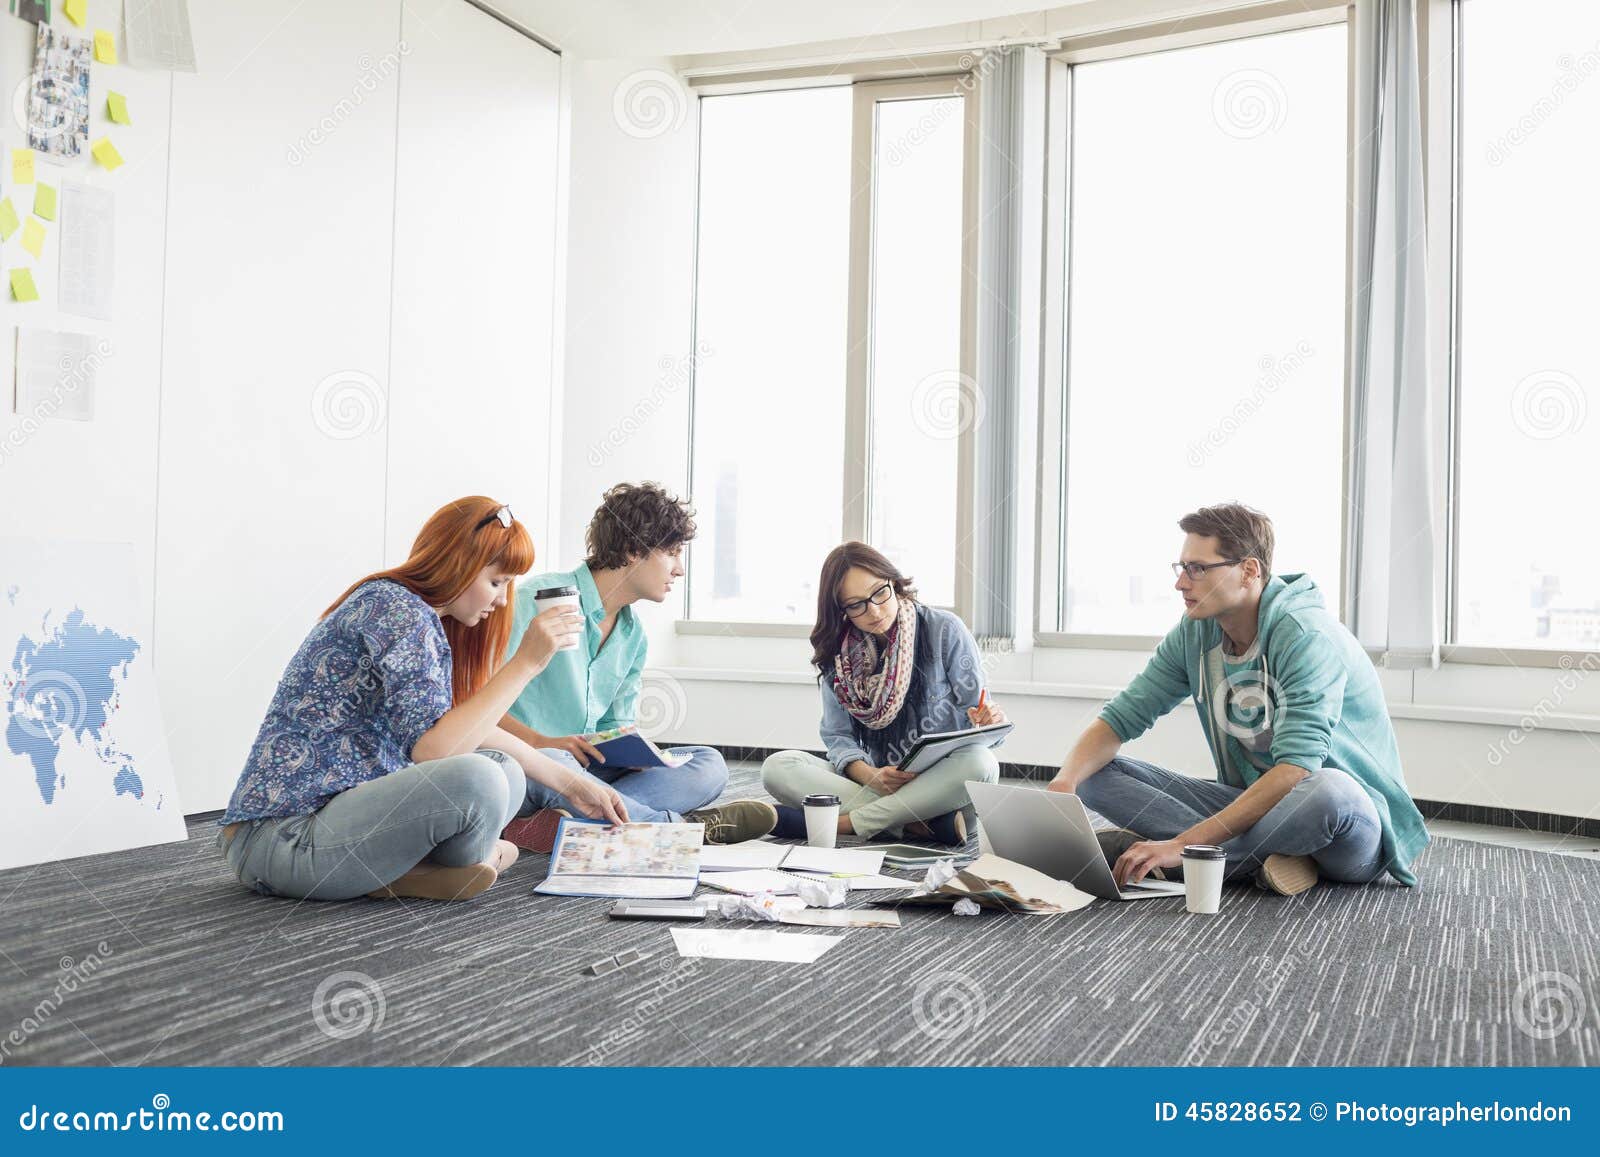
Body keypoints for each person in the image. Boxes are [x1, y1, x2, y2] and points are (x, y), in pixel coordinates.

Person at [218, 497, 630, 902]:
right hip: (281, 839)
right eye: (496, 582)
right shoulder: (394, 608)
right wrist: (525, 663)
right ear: (459, 564)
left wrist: (574, 783)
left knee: (505, 770)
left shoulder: (421, 618)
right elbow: (436, 752)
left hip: (336, 826)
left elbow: (465, 731)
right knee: (478, 778)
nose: (503, 600)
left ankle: (400, 876)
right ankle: (436, 866)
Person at [1048, 503, 1429, 896]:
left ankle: (1201, 859)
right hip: (1259, 808)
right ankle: (1265, 860)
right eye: (1180, 568)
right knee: (1093, 774)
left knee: (1327, 790)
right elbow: (1122, 717)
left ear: (1248, 571)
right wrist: (1064, 784)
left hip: (1347, 827)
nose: (1181, 583)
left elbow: (1296, 770)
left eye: (1197, 568)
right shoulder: (1195, 633)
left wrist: (1181, 843)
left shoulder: (1305, 636)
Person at [499, 482, 773, 850]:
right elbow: (475, 701)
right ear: (632, 549)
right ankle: (675, 830)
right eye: (672, 553)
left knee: (708, 763)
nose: (679, 570)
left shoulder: (633, 635)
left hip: (588, 768)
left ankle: (570, 821)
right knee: (553, 759)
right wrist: (540, 741)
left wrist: (636, 753)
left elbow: (614, 724)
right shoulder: (538, 599)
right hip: (529, 763)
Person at [761, 542, 1005, 846]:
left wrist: (989, 720)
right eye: (856, 604)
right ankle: (914, 827)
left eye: (879, 592)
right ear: (841, 610)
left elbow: (982, 724)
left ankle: (848, 824)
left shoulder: (944, 630)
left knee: (982, 763)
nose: (874, 611)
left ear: (894, 582)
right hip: (882, 788)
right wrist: (869, 775)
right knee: (778, 767)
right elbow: (838, 737)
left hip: (944, 793)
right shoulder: (839, 656)